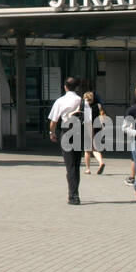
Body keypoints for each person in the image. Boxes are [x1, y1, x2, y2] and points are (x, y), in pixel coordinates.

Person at [47, 77, 89, 205]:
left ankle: (73, 195)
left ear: (65, 87)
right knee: (76, 164)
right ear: (76, 87)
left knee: (70, 165)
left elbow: (53, 122)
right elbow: (88, 120)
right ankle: (74, 193)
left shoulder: (60, 101)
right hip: (78, 133)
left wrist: (52, 133)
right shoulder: (82, 101)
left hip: (66, 132)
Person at [82, 91, 106, 175]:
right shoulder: (98, 106)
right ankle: (101, 162)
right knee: (95, 148)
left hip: (88, 127)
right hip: (97, 128)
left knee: (87, 150)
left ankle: (88, 169)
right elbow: (103, 116)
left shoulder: (85, 107)